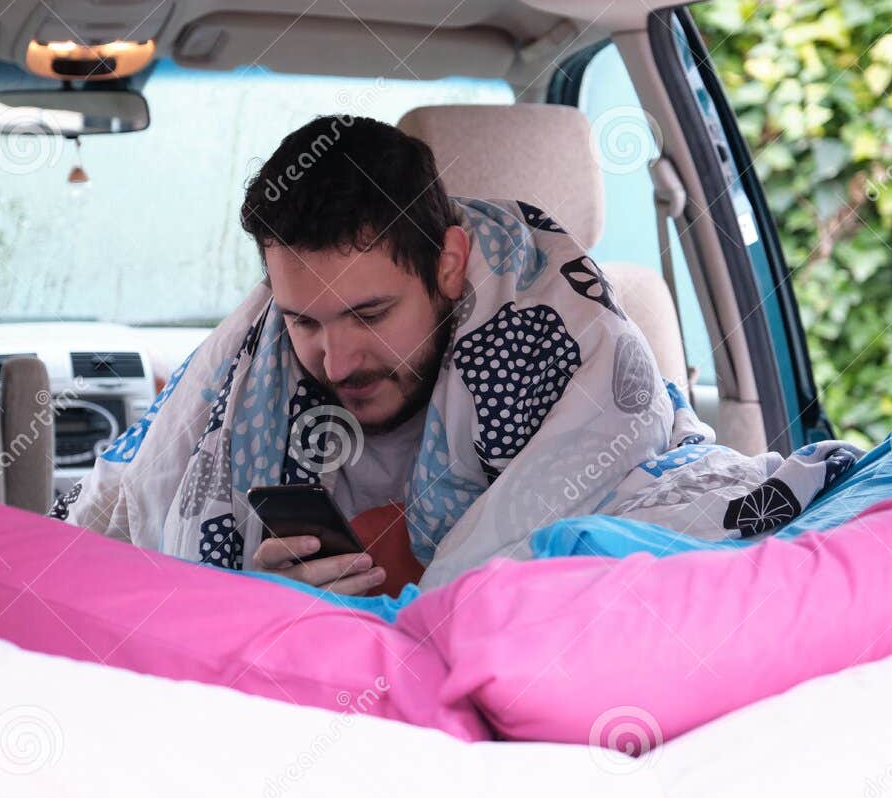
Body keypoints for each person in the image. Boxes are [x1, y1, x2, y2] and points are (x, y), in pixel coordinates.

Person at [54, 115, 836, 594]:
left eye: (370, 312)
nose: (337, 359)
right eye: (305, 321)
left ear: (450, 264)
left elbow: (633, 483)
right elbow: (159, 548)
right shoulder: (246, 371)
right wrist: (264, 594)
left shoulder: (562, 326)